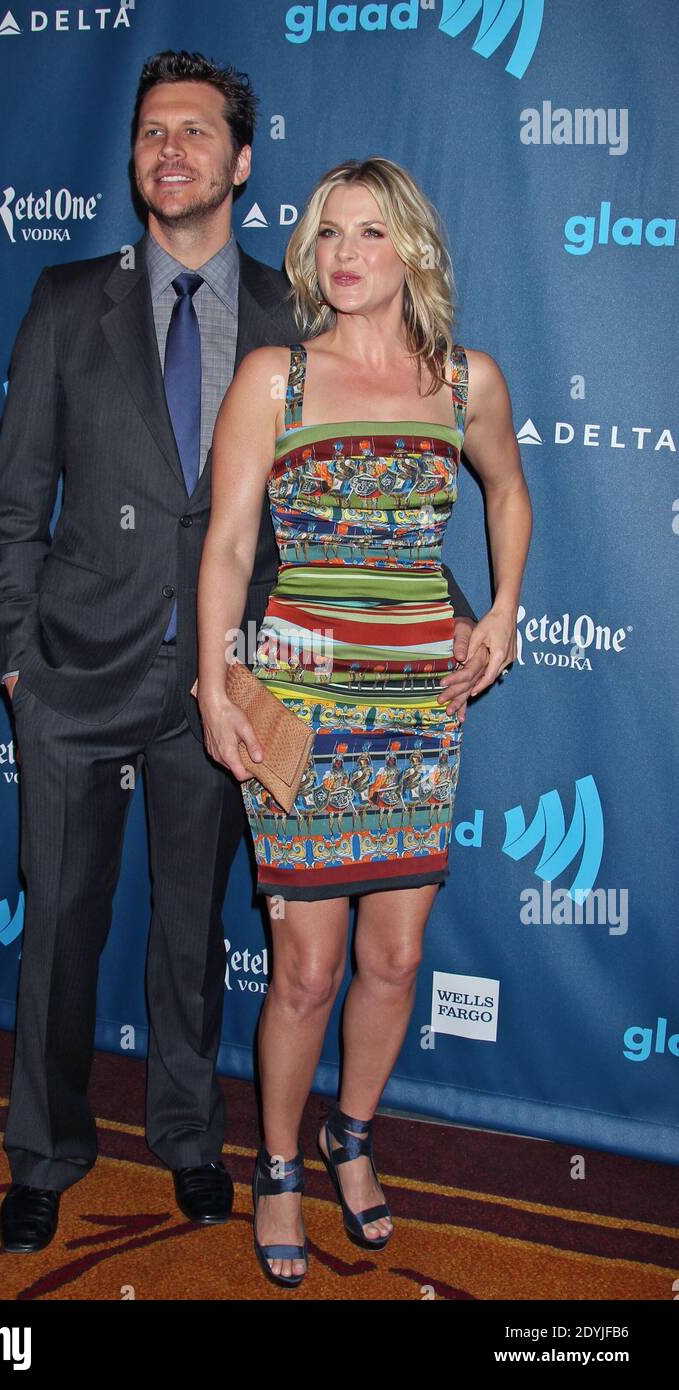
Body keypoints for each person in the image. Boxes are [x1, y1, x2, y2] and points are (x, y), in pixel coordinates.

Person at [0, 47, 483, 1256]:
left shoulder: (293, 318)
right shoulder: (64, 302)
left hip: (244, 686)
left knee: (197, 932)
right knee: (60, 926)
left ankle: (193, 1140)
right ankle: (46, 1151)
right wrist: (15, 662)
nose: (169, 150)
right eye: (152, 131)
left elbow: (371, 493)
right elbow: (11, 507)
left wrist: (456, 606)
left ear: (242, 163)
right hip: (78, 671)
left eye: (196, 132)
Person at [196, 156, 531, 1286]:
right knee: (305, 968)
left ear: (413, 254)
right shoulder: (273, 381)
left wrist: (504, 611)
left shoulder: (465, 382)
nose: (344, 253)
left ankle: (354, 1135)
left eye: (370, 234)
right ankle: (279, 1164)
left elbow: (508, 491)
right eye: (327, 233)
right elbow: (231, 548)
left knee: (394, 959)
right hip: (298, 701)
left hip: (417, 706)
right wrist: (212, 683)